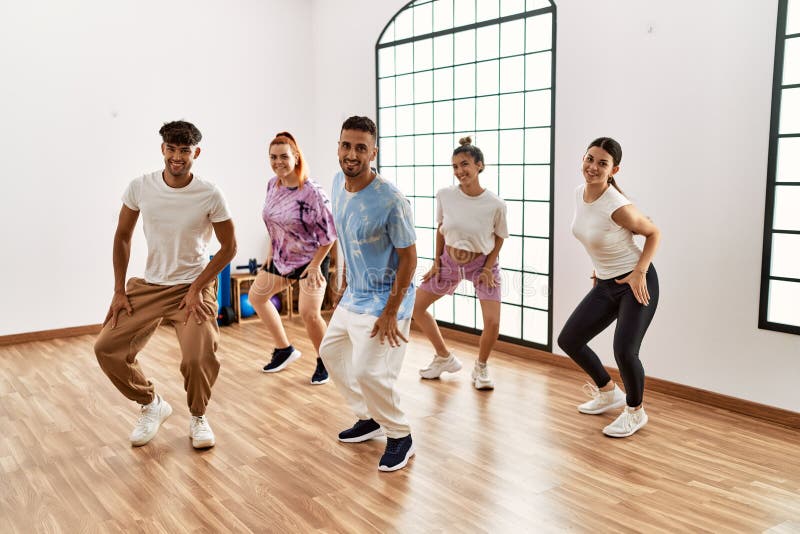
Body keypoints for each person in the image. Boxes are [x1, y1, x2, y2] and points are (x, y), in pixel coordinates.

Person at [94, 120, 237, 449]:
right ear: (162, 149)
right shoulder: (141, 187)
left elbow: (230, 247)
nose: (177, 156)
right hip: (151, 286)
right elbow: (122, 236)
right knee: (106, 348)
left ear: (195, 153)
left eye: (184, 151)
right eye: (171, 149)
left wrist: (198, 286)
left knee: (198, 358)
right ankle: (151, 404)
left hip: (193, 287)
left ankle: (198, 416)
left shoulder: (209, 193)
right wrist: (118, 290)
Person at [318, 116, 417, 472]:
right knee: (330, 354)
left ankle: (400, 434)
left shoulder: (391, 200)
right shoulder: (336, 184)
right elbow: (346, 237)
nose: (352, 154)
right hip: (354, 295)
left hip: (387, 301)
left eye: (361, 147)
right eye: (346, 145)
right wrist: (344, 282)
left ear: (373, 152)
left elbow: (409, 258)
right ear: (338, 147)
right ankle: (369, 416)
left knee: (369, 371)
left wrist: (391, 311)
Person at [557, 137, 660, 438]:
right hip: (606, 283)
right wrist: (599, 267)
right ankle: (607, 391)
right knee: (570, 339)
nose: (593, 167)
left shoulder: (617, 205)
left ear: (614, 169)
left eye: (602, 163)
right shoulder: (580, 194)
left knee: (625, 351)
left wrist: (640, 272)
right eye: (590, 159)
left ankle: (635, 411)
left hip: (636, 282)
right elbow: (596, 235)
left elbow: (653, 233)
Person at [413, 137, 509, 390]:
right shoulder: (445, 195)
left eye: (464, 164)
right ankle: (443, 357)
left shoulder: (495, 204)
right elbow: (441, 229)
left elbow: (500, 237)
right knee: (416, 307)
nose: (459, 171)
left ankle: (481, 367)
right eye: (454, 166)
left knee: (493, 322)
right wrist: (436, 262)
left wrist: (488, 267)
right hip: (448, 262)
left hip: (482, 266)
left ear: (480, 165)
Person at [248, 132, 336, 384]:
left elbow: (330, 234)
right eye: (273, 157)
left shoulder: (312, 192)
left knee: (308, 313)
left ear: (296, 157)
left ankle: (326, 362)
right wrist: (269, 253)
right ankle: (284, 349)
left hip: (312, 258)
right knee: (257, 296)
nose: (278, 162)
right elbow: (272, 222)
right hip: (282, 256)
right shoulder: (272, 185)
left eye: (284, 157)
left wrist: (315, 265)